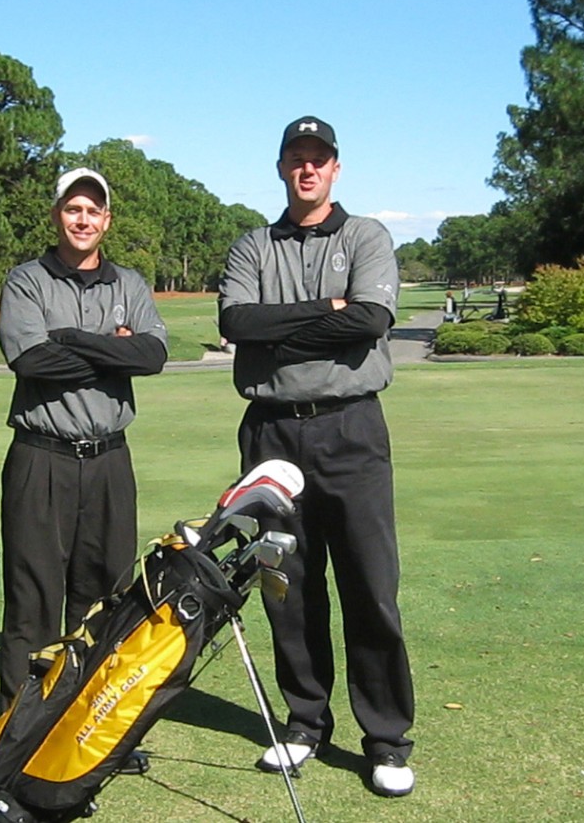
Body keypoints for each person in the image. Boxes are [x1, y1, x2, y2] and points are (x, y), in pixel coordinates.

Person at [218, 117, 415, 797]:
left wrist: (284, 331)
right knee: (288, 590)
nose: (307, 170)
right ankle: (305, 722)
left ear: (336, 169)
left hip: (351, 430)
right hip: (271, 434)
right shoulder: (253, 245)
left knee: (370, 586)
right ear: (280, 168)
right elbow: (237, 326)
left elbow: (369, 322)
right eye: (296, 159)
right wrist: (324, 311)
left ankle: (386, 738)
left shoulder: (366, 236)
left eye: (319, 160)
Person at [0, 168, 168, 732]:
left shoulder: (130, 284)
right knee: (34, 598)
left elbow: (151, 356)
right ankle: (20, 736)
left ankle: (88, 732)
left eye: (94, 210)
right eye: (74, 208)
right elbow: (31, 361)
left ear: (107, 220)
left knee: (107, 601)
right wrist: (111, 349)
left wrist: (68, 338)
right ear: (57, 215)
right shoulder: (26, 282)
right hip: (41, 458)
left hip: (110, 461)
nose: (84, 220)